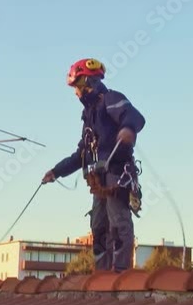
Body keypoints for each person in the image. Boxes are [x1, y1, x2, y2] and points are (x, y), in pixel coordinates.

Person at [43, 58, 146, 273]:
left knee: (118, 223)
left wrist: (127, 129)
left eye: (76, 87)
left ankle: (120, 273)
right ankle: (102, 274)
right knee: (98, 226)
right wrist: (56, 171)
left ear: (86, 82)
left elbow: (134, 116)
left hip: (116, 174)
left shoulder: (111, 99)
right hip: (99, 180)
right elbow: (82, 154)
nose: (75, 93)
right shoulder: (89, 116)